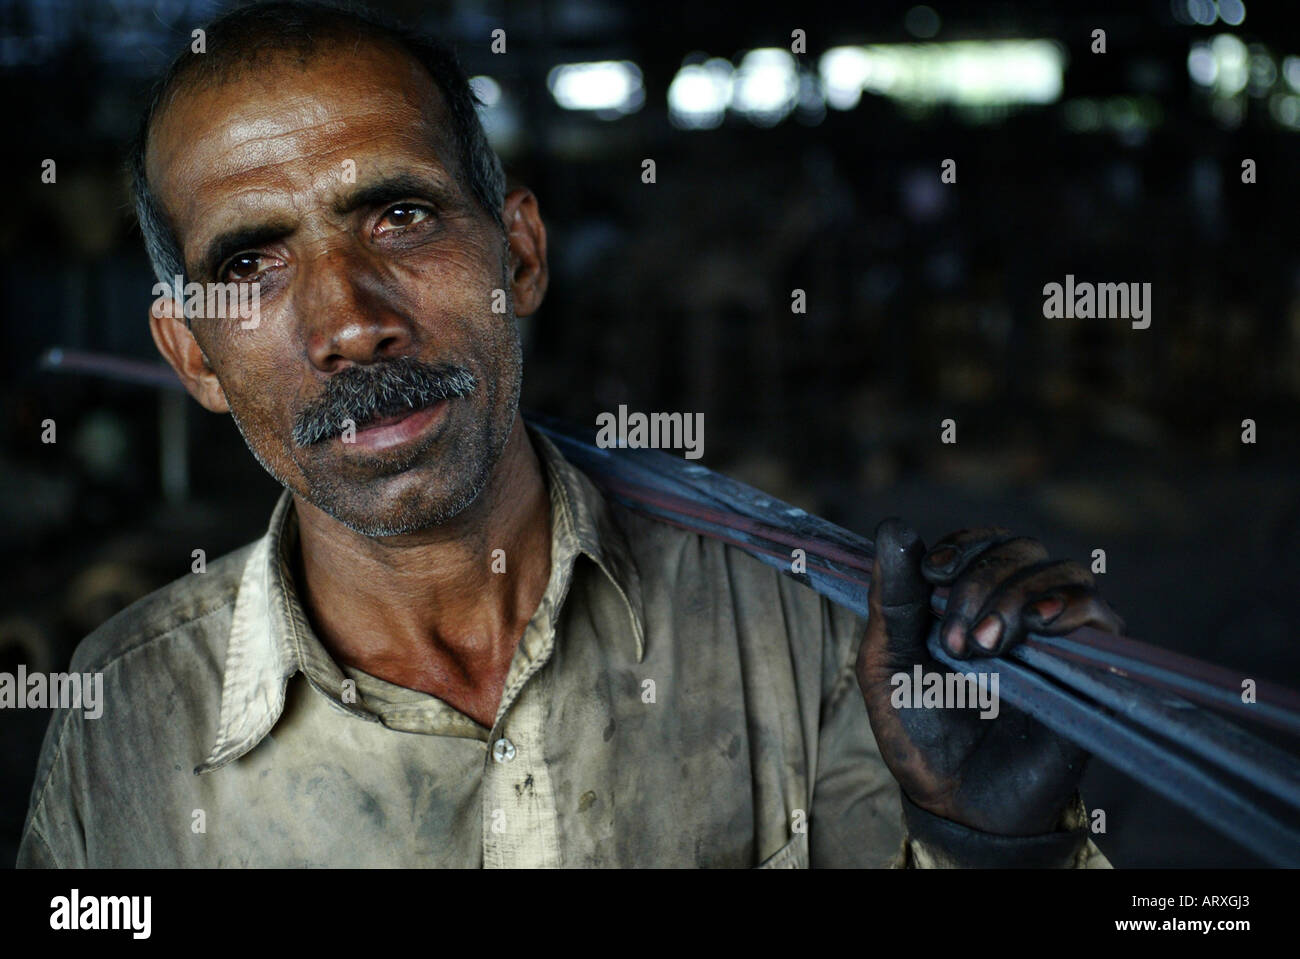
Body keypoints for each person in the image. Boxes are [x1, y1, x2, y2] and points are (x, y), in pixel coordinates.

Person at [18, 1, 1123, 868]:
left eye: (400, 216)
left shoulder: (801, 631)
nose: (352, 321)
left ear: (521, 255)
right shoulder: (126, 720)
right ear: (194, 355)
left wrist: (985, 849)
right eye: (251, 262)